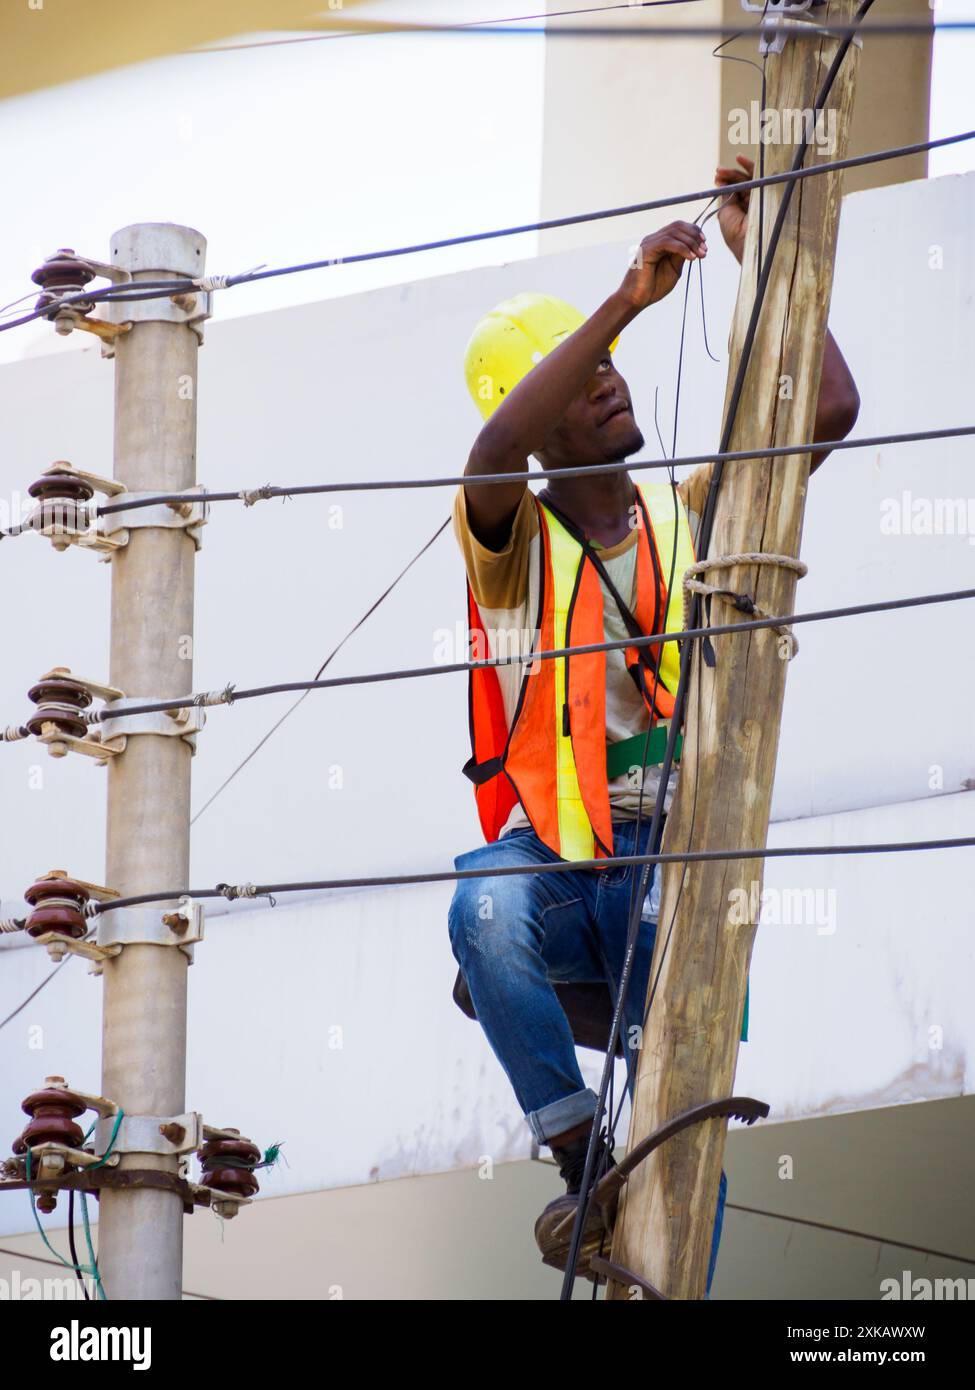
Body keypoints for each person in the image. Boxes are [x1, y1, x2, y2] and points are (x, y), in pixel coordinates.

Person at [447, 156, 860, 1287]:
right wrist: (624, 298)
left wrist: (757, 250)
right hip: (571, 863)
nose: (610, 383)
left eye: (613, 366)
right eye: (582, 377)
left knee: (687, 1094)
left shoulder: (692, 522)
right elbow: (490, 457)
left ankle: (671, 1267)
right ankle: (586, 1167)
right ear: (538, 417)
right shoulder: (510, 547)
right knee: (483, 907)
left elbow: (826, 408)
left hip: (673, 862)